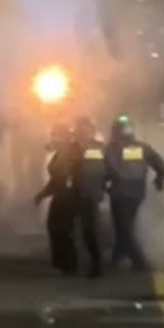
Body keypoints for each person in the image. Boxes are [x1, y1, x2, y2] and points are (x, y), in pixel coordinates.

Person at [104, 114, 164, 269]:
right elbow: (160, 165)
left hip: (120, 191)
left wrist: (101, 184)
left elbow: (107, 169)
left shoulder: (112, 148)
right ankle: (117, 256)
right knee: (124, 225)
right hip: (137, 191)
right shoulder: (142, 147)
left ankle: (139, 260)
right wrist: (159, 179)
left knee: (123, 226)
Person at [37, 123, 80, 275]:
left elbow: (59, 178)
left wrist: (43, 194)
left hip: (67, 197)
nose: (53, 139)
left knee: (61, 229)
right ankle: (63, 263)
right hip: (62, 195)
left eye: (56, 135)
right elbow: (56, 178)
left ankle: (67, 264)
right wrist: (43, 194)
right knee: (57, 228)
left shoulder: (68, 152)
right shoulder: (64, 151)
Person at [69, 116, 110, 278]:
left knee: (90, 231)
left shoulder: (99, 148)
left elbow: (108, 169)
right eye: (81, 128)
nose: (84, 131)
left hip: (90, 193)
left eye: (87, 128)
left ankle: (96, 265)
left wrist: (103, 187)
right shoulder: (73, 147)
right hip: (75, 191)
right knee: (71, 230)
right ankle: (76, 263)